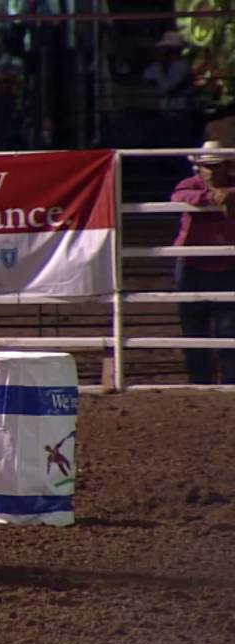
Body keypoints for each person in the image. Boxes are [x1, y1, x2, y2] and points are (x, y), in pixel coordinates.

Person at [168, 139, 235, 384]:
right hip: (193, 265)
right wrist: (212, 197)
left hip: (225, 265)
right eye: (207, 166)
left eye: (216, 166)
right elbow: (179, 195)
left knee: (228, 329)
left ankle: (229, 381)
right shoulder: (190, 185)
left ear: (226, 167)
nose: (211, 172)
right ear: (199, 167)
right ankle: (200, 380)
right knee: (194, 327)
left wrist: (228, 195)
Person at [141, 31, 196, 149]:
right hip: (163, 112)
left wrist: (158, 74)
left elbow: (167, 88)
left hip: (180, 112)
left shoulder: (183, 67)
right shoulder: (159, 67)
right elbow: (146, 77)